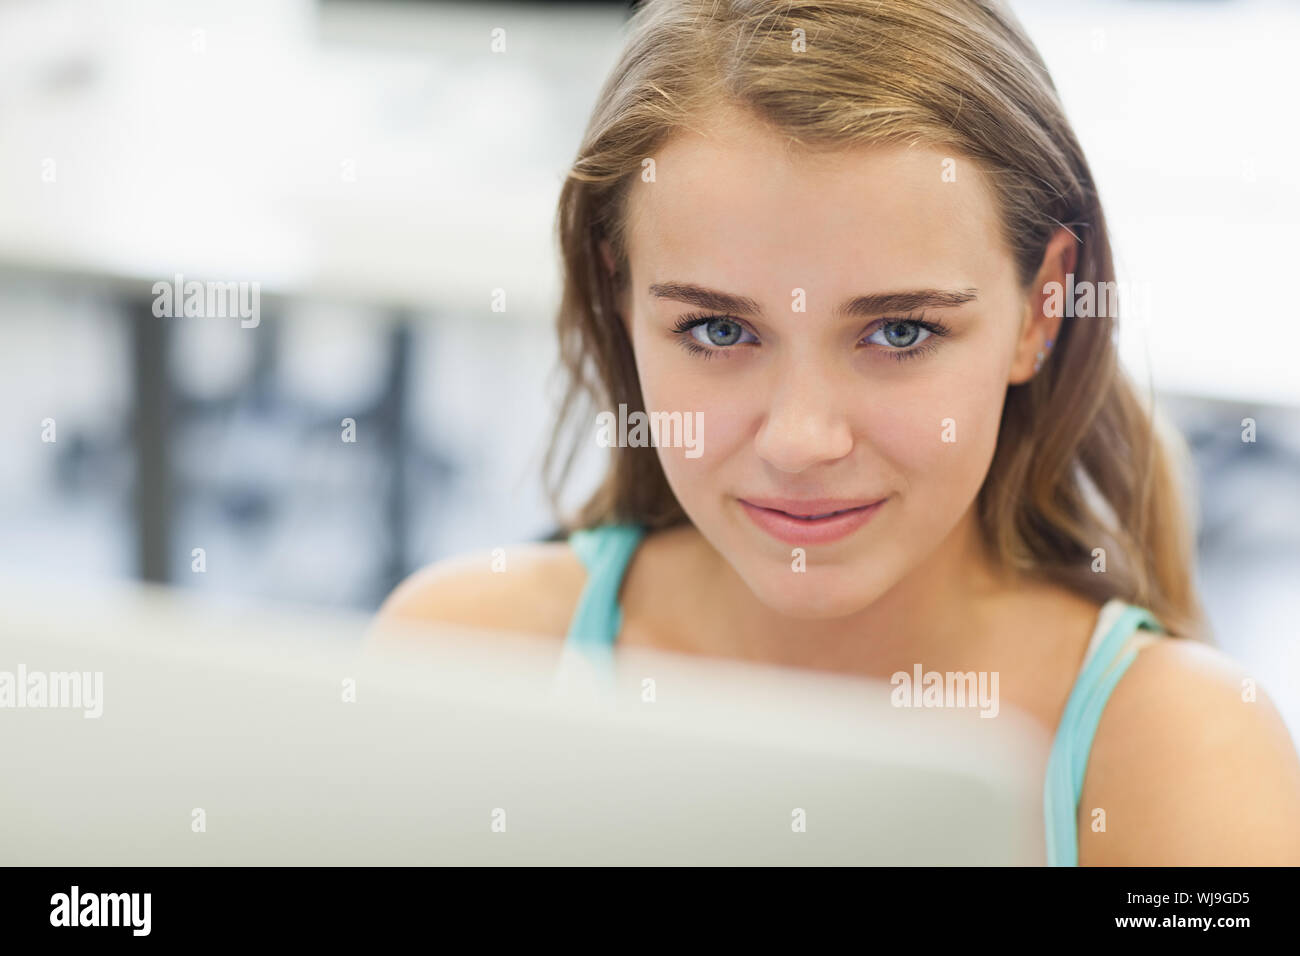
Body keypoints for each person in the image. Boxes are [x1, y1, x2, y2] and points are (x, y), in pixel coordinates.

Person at [374, 0, 1300, 864]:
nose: (800, 440)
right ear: (621, 298)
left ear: (1041, 309)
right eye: (718, 330)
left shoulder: (1184, 757)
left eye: (900, 333)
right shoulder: (463, 664)